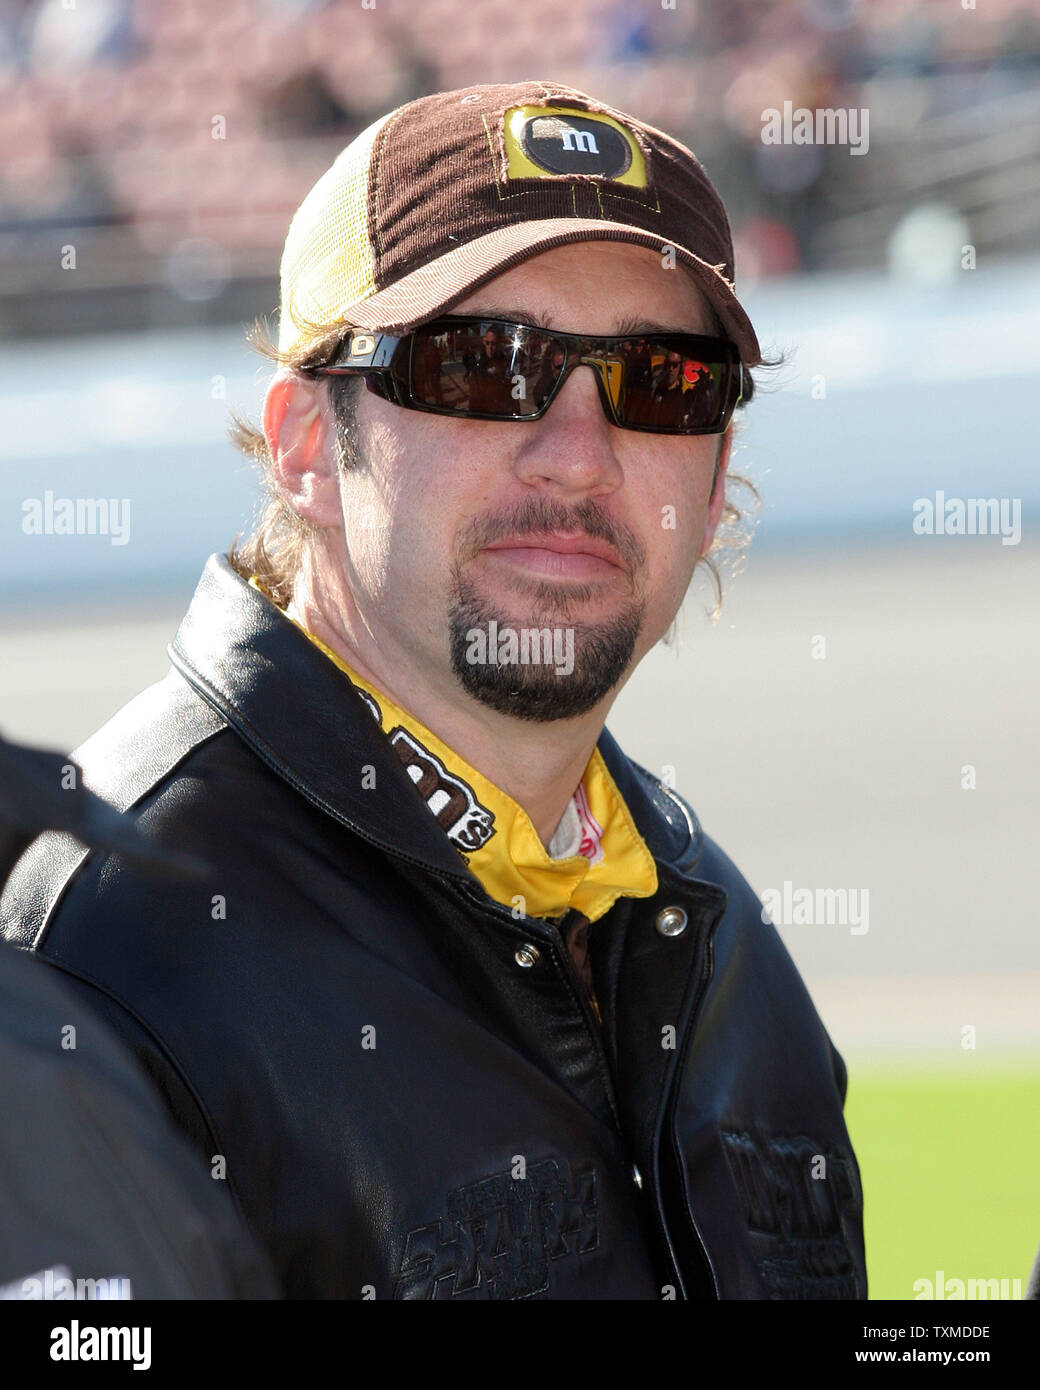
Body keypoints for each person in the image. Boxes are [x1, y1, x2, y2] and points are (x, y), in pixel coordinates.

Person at [0, 80, 866, 1300]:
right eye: (482, 366)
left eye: (662, 382)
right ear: (306, 442)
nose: (577, 452)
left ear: (716, 477)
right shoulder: (96, 950)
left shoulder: (715, 935)